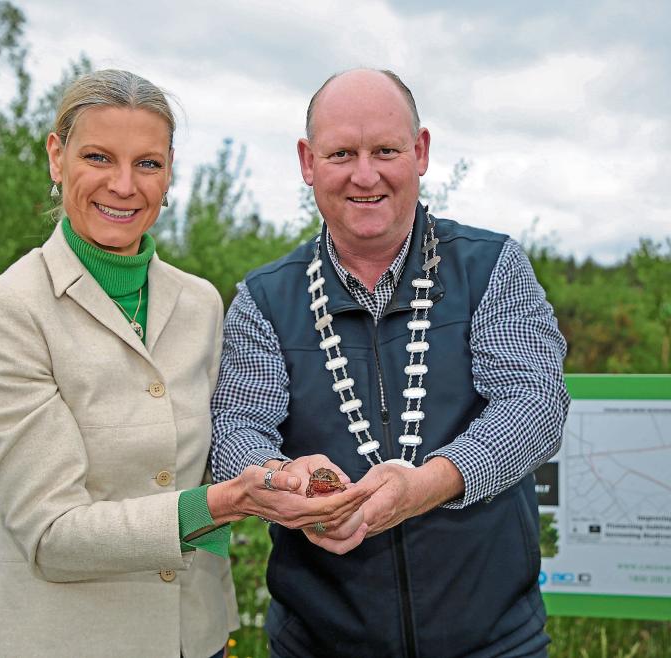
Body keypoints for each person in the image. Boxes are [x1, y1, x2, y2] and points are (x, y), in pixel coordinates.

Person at [0, 69, 368, 658]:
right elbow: (51, 534)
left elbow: (219, 453)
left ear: (169, 175)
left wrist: (287, 478)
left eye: (147, 164)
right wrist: (230, 502)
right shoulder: (4, 311)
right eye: (98, 157)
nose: (124, 185)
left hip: (196, 641)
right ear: (56, 157)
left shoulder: (198, 303)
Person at [211, 68, 570, 658]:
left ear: (421, 152)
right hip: (317, 643)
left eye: (385, 150)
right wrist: (284, 478)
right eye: (341, 153)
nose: (365, 174)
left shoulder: (492, 267)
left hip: (494, 642)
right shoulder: (264, 298)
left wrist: (429, 484)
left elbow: (534, 405)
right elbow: (235, 428)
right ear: (307, 162)